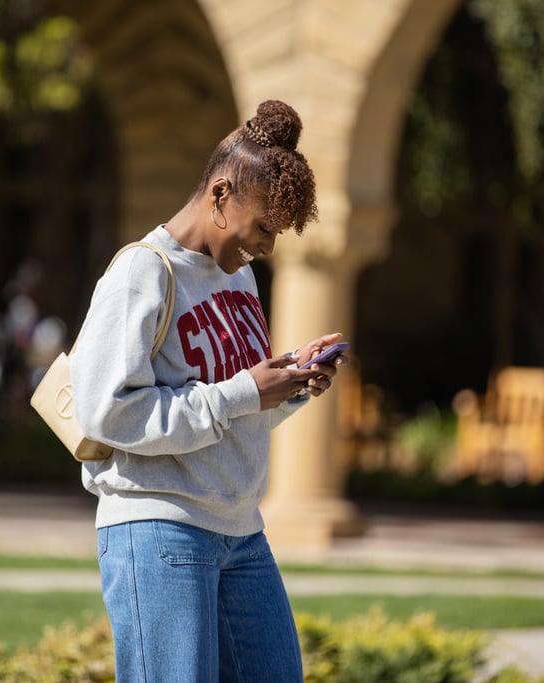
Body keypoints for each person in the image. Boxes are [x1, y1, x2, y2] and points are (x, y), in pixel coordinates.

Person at [70, 99, 344, 682]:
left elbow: (230, 411)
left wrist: (288, 385)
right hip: (159, 526)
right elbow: (105, 413)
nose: (268, 247)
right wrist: (245, 390)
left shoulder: (237, 275)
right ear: (221, 196)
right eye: (263, 228)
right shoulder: (141, 272)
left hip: (241, 532)